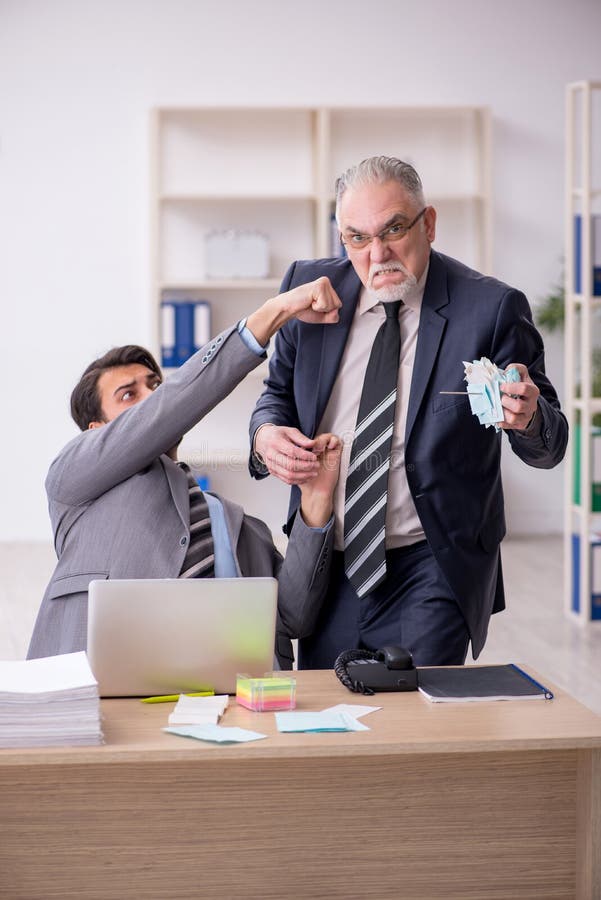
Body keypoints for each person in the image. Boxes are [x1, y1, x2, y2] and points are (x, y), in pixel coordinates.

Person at [249, 155, 568, 670]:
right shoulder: (308, 290)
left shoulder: (491, 309)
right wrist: (266, 434)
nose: (377, 253)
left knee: (417, 718)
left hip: (433, 561)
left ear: (430, 223)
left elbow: (551, 447)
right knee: (327, 718)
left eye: (394, 229)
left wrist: (530, 417)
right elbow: (275, 395)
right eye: (356, 237)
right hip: (329, 558)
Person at [27, 281, 343, 669]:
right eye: (129, 394)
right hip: (102, 695)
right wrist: (272, 314)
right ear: (97, 431)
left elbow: (293, 616)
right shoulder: (73, 476)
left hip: (231, 705)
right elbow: (168, 408)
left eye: (155, 385)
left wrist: (316, 501)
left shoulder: (233, 521)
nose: (152, 397)